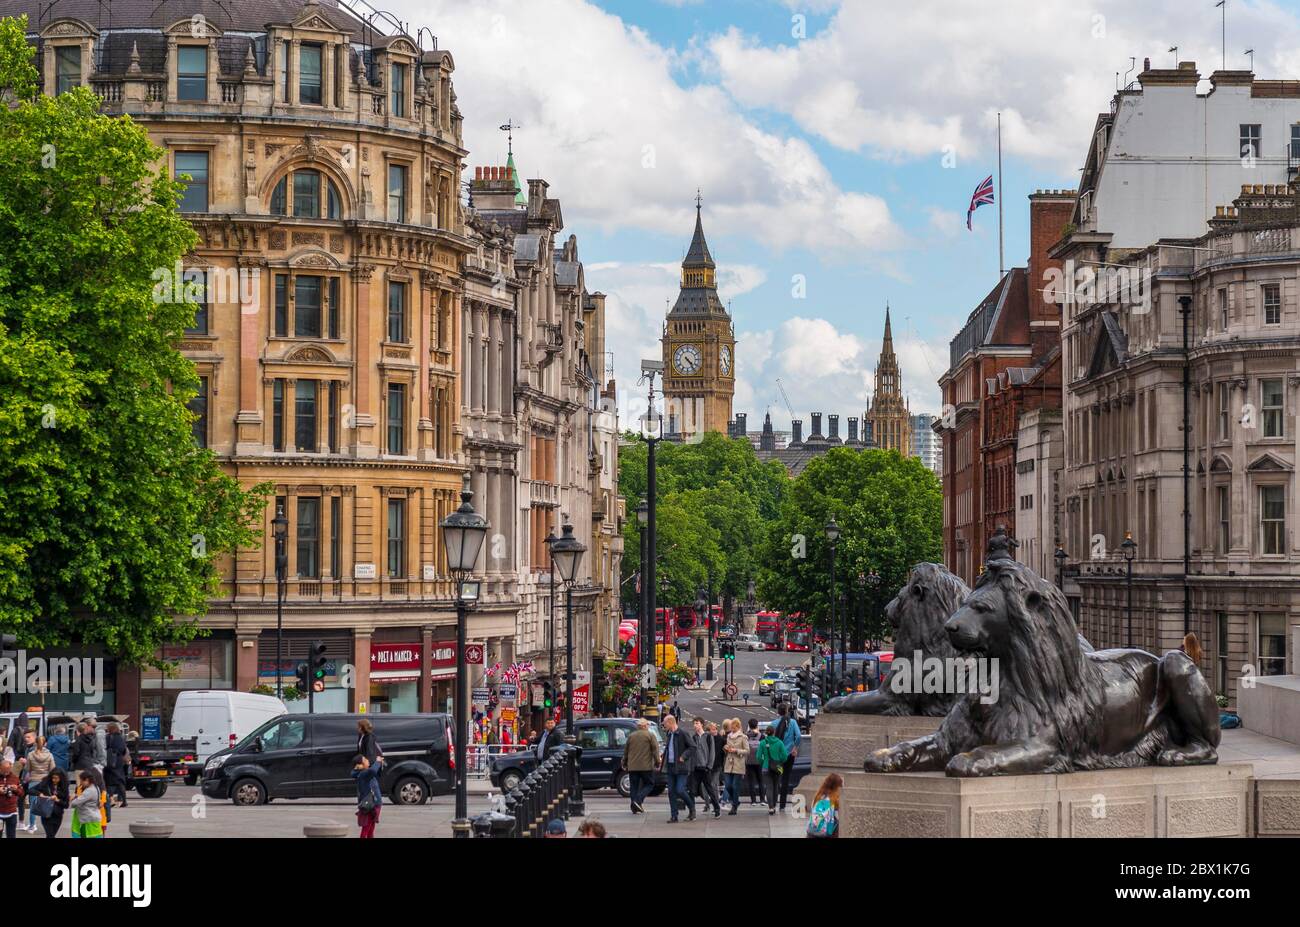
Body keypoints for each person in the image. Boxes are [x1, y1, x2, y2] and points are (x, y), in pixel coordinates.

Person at [660, 714, 696, 823]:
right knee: (671, 792)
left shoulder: (683, 733)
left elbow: (693, 747)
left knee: (680, 790)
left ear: (670, 722)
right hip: (671, 767)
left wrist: (683, 756)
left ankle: (691, 808)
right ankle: (674, 816)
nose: (663, 725)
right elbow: (670, 749)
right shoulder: (669, 734)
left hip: (681, 767)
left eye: (664, 723)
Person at [621, 718, 659, 814]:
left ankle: (635, 807)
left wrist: (624, 763)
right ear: (645, 726)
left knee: (634, 787)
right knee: (649, 784)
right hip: (646, 766)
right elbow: (655, 750)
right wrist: (657, 762)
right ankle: (638, 800)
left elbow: (626, 751)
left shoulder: (631, 736)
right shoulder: (650, 735)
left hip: (632, 766)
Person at [20, 736, 55, 832]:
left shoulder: (31, 754)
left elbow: (27, 768)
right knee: (47, 803)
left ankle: (32, 825)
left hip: (34, 780)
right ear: (45, 744)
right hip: (45, 781)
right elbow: (52, 768)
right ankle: (48, 826)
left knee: (33, 804)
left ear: (36, 743)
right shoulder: (49, 755)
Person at [773, 703, 802, 812]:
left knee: (776, 778)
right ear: (786, 711)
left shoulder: (774, 723)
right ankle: (782, 805)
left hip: (777, 757)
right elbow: (798, 736)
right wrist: (794, 748)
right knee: (785, 779)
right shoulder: (793, 722)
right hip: (789, 755)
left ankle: (773, 803)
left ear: (778, 712)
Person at [755, 723, 788, 815]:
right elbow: (785, 756)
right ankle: (774, 804)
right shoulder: (779, 742)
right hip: (777, 767)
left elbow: (758, 756)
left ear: (766, 733)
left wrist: (763, 763)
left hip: (766, 767)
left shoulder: (762, 743)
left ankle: (771, 807)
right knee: (776, 786)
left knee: (769, 787)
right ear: (774, 733)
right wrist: (779, 761)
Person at [27, 767, 69, 838]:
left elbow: (66, 805)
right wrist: (40, 794)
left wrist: (57, 800)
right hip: (46, 814)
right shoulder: (45, 783)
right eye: (53, 778)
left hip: (58, 815)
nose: (54, 780)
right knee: (50, 835)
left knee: (51, 835)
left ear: (61, 778)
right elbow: (30, 790)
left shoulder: (64, 787)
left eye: (56, 778)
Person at [691, 718, 721, 817]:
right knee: (692, 790)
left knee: (710, 789)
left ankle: (717, 809)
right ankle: (692, 812)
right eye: (694, 723)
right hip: (696, 768)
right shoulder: (694, 737)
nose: (695, 725)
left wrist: (709, 766)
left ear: (702, 725)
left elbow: (712, 752)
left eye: (697, 723)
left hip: (705, 768)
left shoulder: (708, 737)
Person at [351, 754, 382, 838]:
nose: (367, 760)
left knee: (371, 828)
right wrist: (378, 761)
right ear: (360, 765)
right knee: (367, 829)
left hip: (373, 803)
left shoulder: (363, 772)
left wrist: (379, 764)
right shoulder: (364, 774)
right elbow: (373, 771)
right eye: (365, 759)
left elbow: (374, 771)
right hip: (370, 805)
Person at [722, 719, 748, 814]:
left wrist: (736, 750)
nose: (732, 730)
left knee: (735, 786)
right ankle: (736, 801)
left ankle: (734, 807)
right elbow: (727, 748)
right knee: (728, 785)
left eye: (733, 728)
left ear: (738, 727)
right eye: (731, 728)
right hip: (729, 763)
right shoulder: (728, 736)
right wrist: (725, 748)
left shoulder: (743, 737)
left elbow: (747, 750)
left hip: (738, 764)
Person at [806, 772, 842, 838]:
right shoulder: (834, 799)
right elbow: (839, 817)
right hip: (825, 833)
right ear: (836, 786)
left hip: (811, 831)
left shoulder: (818, 795)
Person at [69, 770, 103, 839]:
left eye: (81, 781)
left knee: (87, 836)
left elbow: (75, 803)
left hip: (88, 819)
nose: (80, 783)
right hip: (94, 817)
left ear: (87, 780)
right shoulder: (96, 787)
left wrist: (72, 799)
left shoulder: (89, 791)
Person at [104, 723, 130, 808]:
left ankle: (111, 800)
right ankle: (124, 800)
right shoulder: (121, 738)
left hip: (110, 760)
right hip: (119, 761)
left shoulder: (108, 737)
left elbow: (105, 747)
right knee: (120, 781)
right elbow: (124, 749)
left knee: (109, 781)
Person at [744, 718, 765, 806]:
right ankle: (762, 800)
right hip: (759, 760)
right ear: (757, 725)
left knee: (751, 781)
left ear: (749, 725)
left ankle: (753, 801)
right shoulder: (761, 736)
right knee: (761, 780)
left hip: (749, 761)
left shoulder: (745, 736)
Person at [0, 759, 22, 839]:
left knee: (11, 835)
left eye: (8, 770)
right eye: (4, 770)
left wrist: (16, 789)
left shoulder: (15, 778)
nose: (6, 772)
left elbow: (21, 793)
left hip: (11, 812)